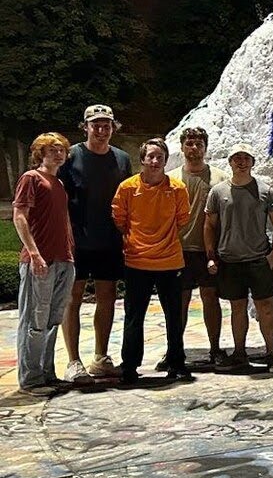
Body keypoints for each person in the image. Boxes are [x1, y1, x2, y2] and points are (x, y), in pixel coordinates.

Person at [59, 104, 132, 381]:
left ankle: (100, 357)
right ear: (86, 126)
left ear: (113, 128)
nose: (101, 130)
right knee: (72, 298)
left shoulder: (122, 159)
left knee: (107, 297)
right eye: (96, 125)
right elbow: (61, 199)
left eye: (106, 125)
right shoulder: (71, 156)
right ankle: (73, 360)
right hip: (77, 240)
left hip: (110, 239)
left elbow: (127, 198)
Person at [112, 139, 191, 383]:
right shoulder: (127, 188)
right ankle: (130, 366)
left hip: (170, 261)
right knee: (134, 316)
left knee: (174, 316)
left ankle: (176, 362)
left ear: (166, 161)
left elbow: (182, 219)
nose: (155, 162)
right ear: (142, 160)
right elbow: (119, 218)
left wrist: (162, 240)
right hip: (137, 261)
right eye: (151, 157)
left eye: (160, 157)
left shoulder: (177, 189)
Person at [204, 143, 273, 372]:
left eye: (246, 157)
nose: (241, 162)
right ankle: (239, 353)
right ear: (230, 162)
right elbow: (209, 225)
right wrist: (211, 255)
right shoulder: (218, 192)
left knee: (265, 307)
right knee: (237, 307)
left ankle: (271, 353)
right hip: (229, 259)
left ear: (252, 162)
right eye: (236, 157)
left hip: (258, 258)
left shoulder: (265, 191)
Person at [157, 127, 229, 370]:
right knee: (179, 301)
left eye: (199, 143)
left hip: (209, 250)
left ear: (205, 147)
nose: (194, 148)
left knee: (210, 298)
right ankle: (174, 350)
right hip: (178, 248)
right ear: (182, 146)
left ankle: (216, 349)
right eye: (189, 143)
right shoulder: (171, 178)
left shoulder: (220, 178)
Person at [12, 133, 76, 396]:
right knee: (34, 321)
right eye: (52, 150)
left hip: (63, 259)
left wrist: (70, 251)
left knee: (52, 319)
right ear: (40, 153)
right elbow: (20, 216)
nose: (58, 154)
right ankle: (31, 379)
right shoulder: (31, 178)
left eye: (61, 149)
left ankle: (47, 372)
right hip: (40, 260)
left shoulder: (58, 183)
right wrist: (34, 254)